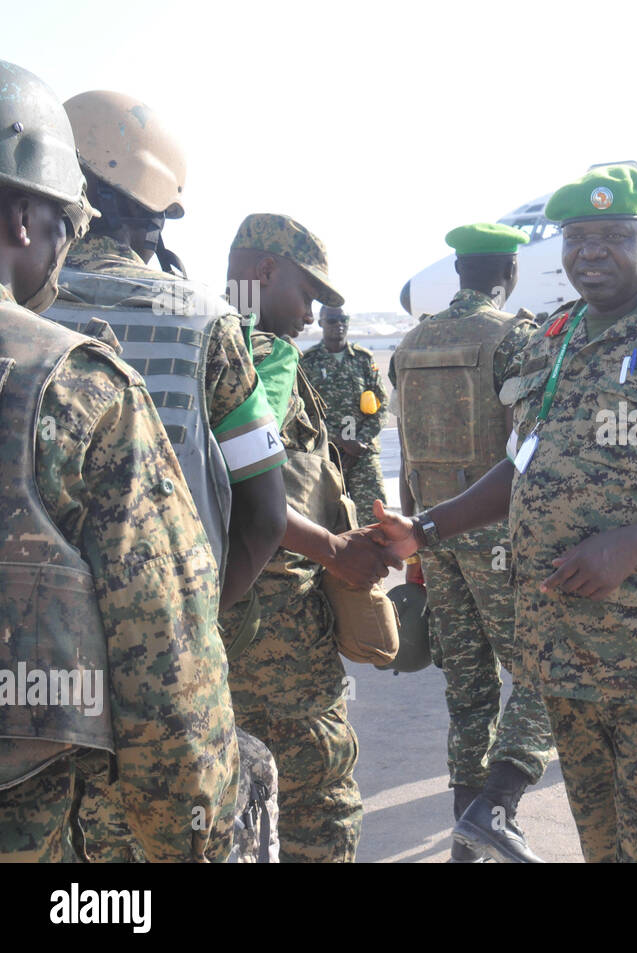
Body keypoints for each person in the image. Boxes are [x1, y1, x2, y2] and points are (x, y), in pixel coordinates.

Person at [365, 165, 637, 862]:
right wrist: (427, 528)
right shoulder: (557, 338)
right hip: (569, 653)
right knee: (604, 846)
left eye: (613, 235)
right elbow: (523, 459)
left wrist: (631, 545)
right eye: (577, 237)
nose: (590, 251)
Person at [0, 59, 238, 862]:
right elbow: (167, 664)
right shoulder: (74, 385)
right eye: (64, 222)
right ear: (25, 218)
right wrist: (192, 840)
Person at [50, 88, 288, 862]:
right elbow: (266, 516)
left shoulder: (21, 319)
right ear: (153, 217)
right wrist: (187, 627)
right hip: (164, 703)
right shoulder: (205, 322)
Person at [222, 212, 395, 862]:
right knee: (318, 813)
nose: (310, 313)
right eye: (308, 292)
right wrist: (337, 549)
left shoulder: (190, 339)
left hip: (205, 639)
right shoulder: (267, 356)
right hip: (281, 648)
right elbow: (263, 504)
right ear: (266, 272)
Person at [388, 222, 553, 864]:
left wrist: (415, 548)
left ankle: (466, 838)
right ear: (506, 275)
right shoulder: (515, 339)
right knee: (545, 674)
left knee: (468, 690)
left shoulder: (409, 342)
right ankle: (495, 810)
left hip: (432, 531)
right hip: (497, 536)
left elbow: (404, 455)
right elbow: (531, 451)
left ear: (459, 273)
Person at [301, 304, 389, 512]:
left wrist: (360, 441)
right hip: (324, 454)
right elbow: (302, 410)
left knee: (376, 515)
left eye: (344, 320)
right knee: (326, 518)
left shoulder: (363, 359)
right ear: (321, 322)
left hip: (362, 454)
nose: (339, 325)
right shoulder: (308, 362)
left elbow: (382, 405)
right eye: (332, 320)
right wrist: (336, 439)